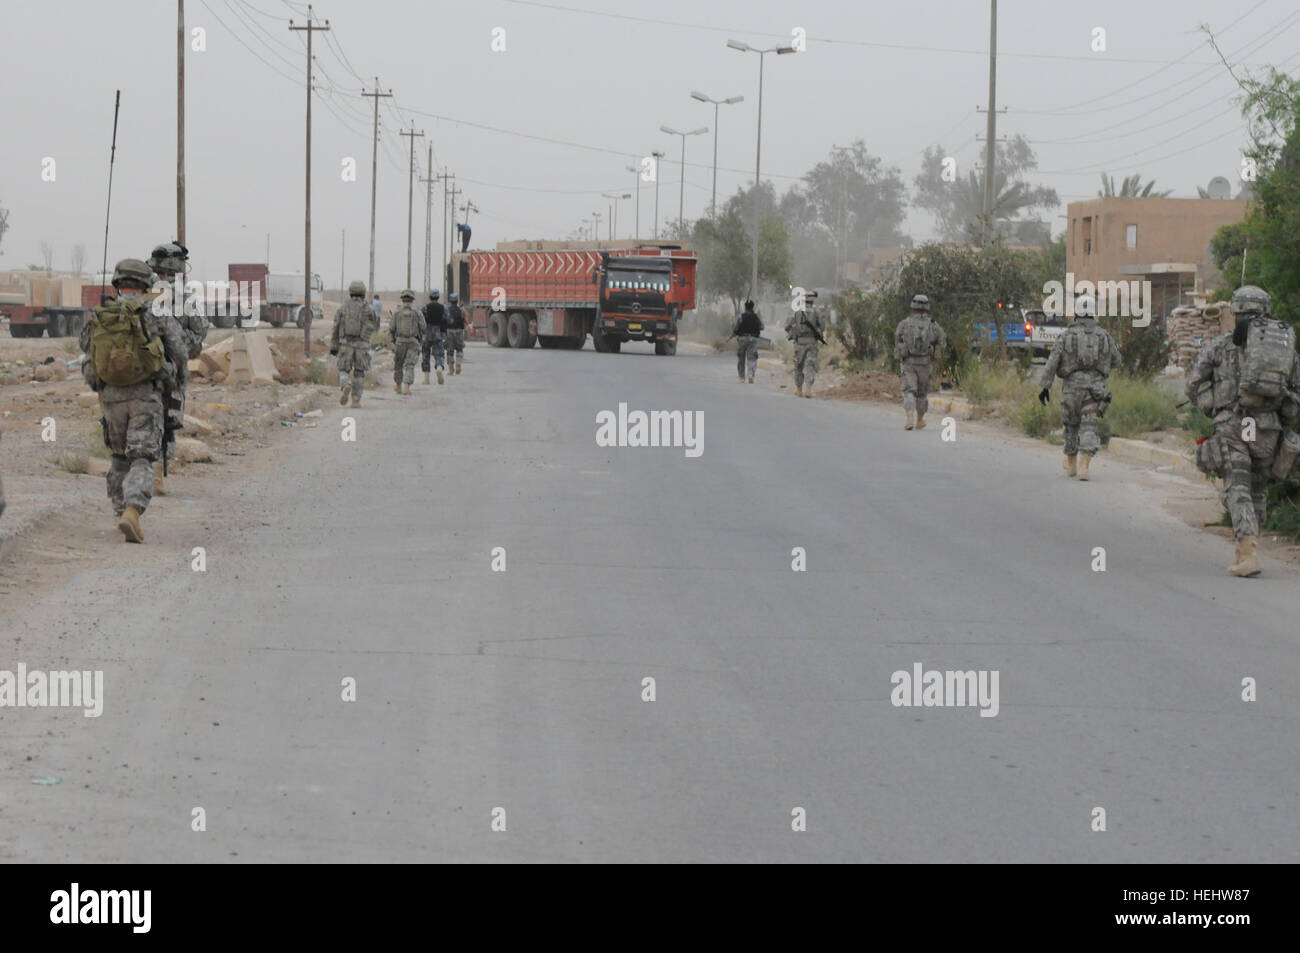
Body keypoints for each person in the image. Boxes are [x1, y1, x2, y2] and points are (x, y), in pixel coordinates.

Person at [1186, 285, 1300, 577]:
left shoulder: (1221, 346)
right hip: (1267, 428)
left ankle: (1247, 554)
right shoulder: (1285, 352)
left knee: (1237, 485)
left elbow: (1194, 382)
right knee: (1258, 487)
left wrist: (1211, 407)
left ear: (1236, 312)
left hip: (1234, 426)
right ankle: (1248, 547)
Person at [79, 258, 188, 543]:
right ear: (146, 285)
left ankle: (119, 514)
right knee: (141, 456)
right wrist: (175, 377)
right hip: (145, 395)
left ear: (118, 284)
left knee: (118, 458)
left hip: (110, 396)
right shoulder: (156, 312)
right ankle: (132, 511)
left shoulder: (102, 314)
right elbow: (180, 350)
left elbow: (85, 349)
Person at [1037, 293, 1122, 481]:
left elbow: (1052, 362)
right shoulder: (1105, 336)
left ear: (1076, 313)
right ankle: (1085, 464)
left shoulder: (1066, 335)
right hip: (1095, 389)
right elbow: (1117, 361)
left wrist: (1045, 387)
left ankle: (1071, 464)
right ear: (1094, 313)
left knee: (1071, 425)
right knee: (1090, 425)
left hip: (1071, 389)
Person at [146, 242, 204, 479]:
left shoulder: (142, 291)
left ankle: (144, 464)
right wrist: (180, 345)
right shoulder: (185, 295)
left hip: (145, 366)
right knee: (169, 421)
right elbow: (200, 332)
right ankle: (161, 469)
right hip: (173, 367)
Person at [893, 293, 947, 429]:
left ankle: (909, 418)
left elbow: (897, 340)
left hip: (909, 363)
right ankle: (920, 420)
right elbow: (942, 342)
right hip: (925, 363)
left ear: (913, 306)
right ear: (927, 307)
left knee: (909, 391)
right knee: (922, 394)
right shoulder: (933, 325)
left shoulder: (904, 323)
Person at [332, 281, 376, 408]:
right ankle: (356, 401)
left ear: (350, 292)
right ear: (363, 293)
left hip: (345, 344)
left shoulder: (343, 308)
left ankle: (345, 384)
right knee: (359, 372)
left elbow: (335, 327)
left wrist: (334, 346)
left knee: (343, 370)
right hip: (362, 346)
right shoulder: (368, 309)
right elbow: (373, 326)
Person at [783, 290, 825, 398]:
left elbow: (787, 326)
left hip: (799, 343)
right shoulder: (817, 311)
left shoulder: (796, 311)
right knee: (810, 365)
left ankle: (799, 390)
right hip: (812, 343)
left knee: (798, 366)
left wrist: (794, 332)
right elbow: (823, 327)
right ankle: (809, 390)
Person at [389, 290, 426, 396]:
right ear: (412, 300)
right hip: (413, 342)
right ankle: (407, 387)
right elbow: (423, 327)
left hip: (400, 342)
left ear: (402, 300)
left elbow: (391, 329)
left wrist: (392, 342)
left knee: (398, 364)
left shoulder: (397, 312)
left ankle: (398, 386)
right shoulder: (417, 312)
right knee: (409, 365)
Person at [422, 289, 447, 385]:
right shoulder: (443, 308)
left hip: (427, 333)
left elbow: (421, 320)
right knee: (439, 354)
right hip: (438, 333)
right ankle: (439, 368)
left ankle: (426, 379)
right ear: (438, 297)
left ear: (430, 297)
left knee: (426, 355)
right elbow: (447, 319)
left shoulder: (425, 308)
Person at [733, 299, 763, 383]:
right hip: (753, 339)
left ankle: (742, 377)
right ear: (752, 307)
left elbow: (735, 327)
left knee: (741, 358)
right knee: (752, 358)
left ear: (745, 307)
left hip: (742, 339)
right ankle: (750, 373)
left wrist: (736, 331)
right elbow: (762, 327)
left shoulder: (740, 316)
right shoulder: (756, 317)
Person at [445, 292, 466, 375]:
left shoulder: (447, 310)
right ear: (457, 301)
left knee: (450, 352)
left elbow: (445, 321)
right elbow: (464, 321)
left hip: (449, 331)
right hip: (459, 332)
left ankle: (451, 370)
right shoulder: (461, 310)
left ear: (450, 301)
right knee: (459, 350)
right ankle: (458, 362)